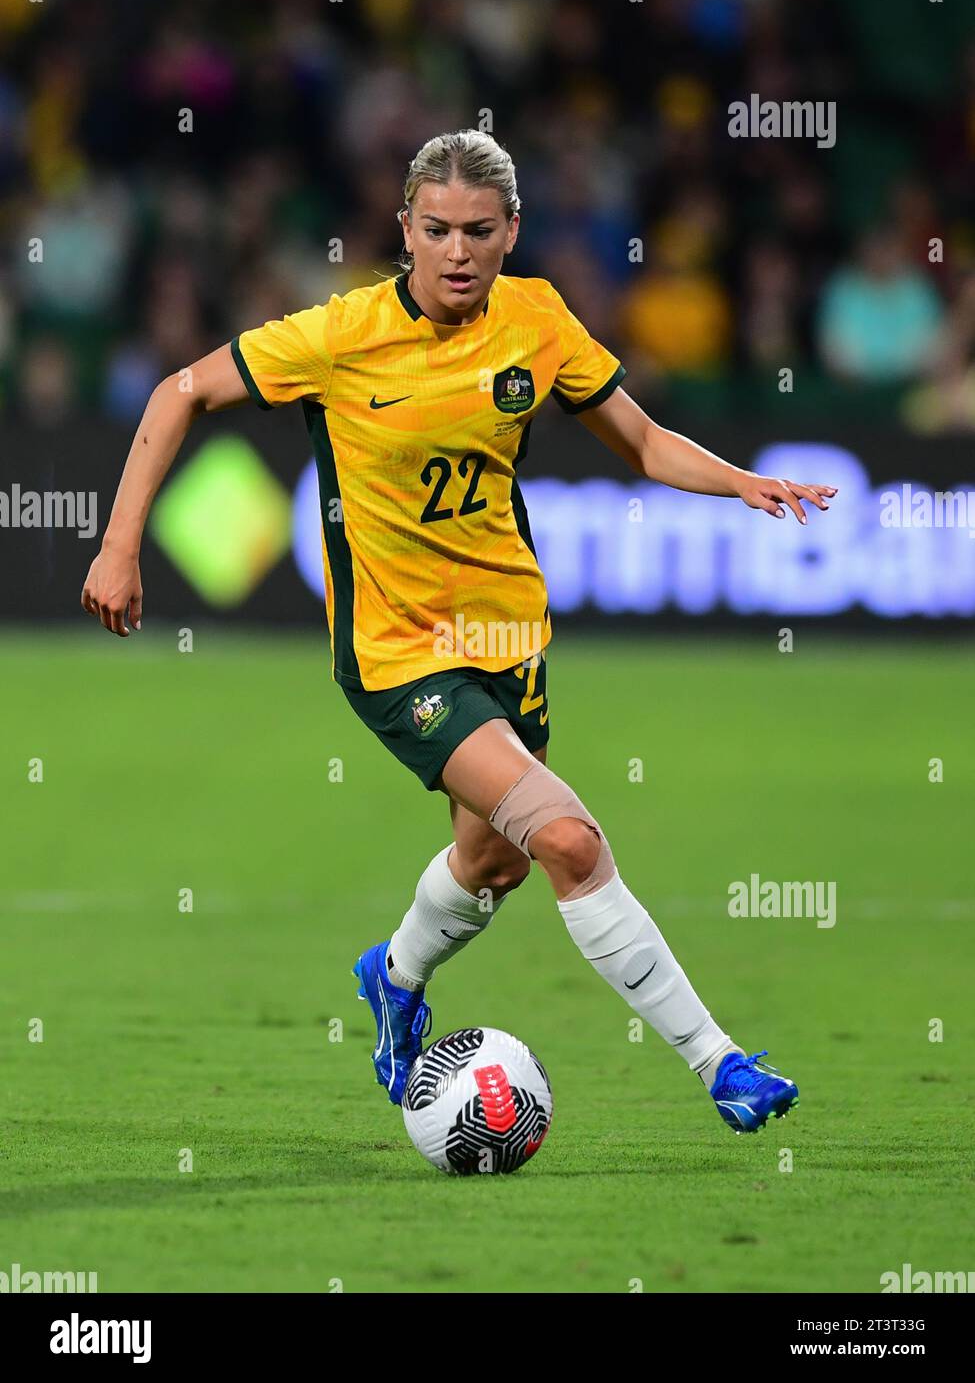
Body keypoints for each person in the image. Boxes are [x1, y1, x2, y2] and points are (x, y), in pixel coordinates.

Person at [83, 130, 837, 1133]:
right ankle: (720, 1062)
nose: (457, 252)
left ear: (511, 231)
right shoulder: (340, 335)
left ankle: (393, 977)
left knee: (494, 864)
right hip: (398, 655)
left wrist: (742, 481)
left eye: (479, 231)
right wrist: (119, 544)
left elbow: (645, 442)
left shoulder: (536, 319)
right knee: (567, 840)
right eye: (435, 229)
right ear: (404, 229)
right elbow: (180, 389)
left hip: (511, 638)